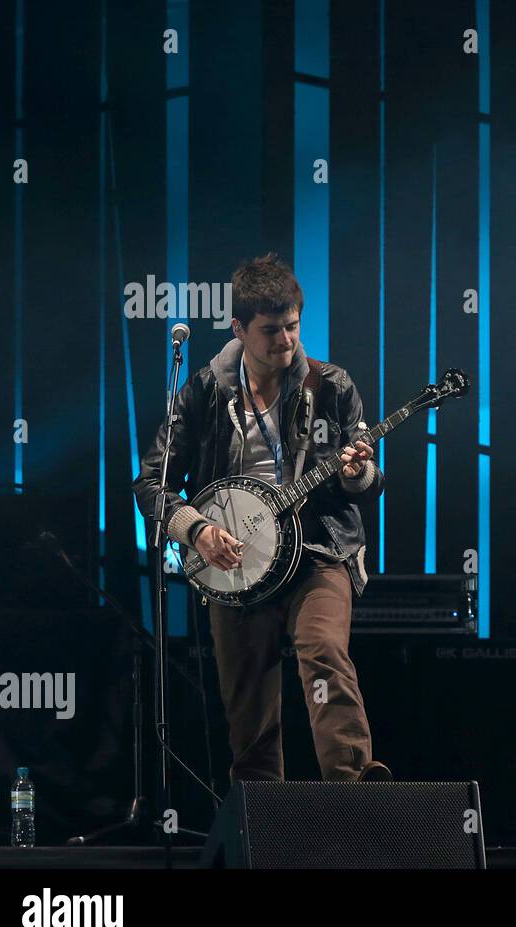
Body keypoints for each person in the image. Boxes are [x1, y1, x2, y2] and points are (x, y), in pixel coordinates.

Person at [134, 253, 392, 783]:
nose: (286, 341)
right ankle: (260, 825)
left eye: (293, 327)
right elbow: (151, 483)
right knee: (247, 703)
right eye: (271, 330)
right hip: (233, 562)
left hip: (319, 550)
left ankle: (356, 793)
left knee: (322, 651)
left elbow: (366, 487)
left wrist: (356, 473)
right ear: (239, 329)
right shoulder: (203, 390)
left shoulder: (332, 386)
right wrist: (197, 530)